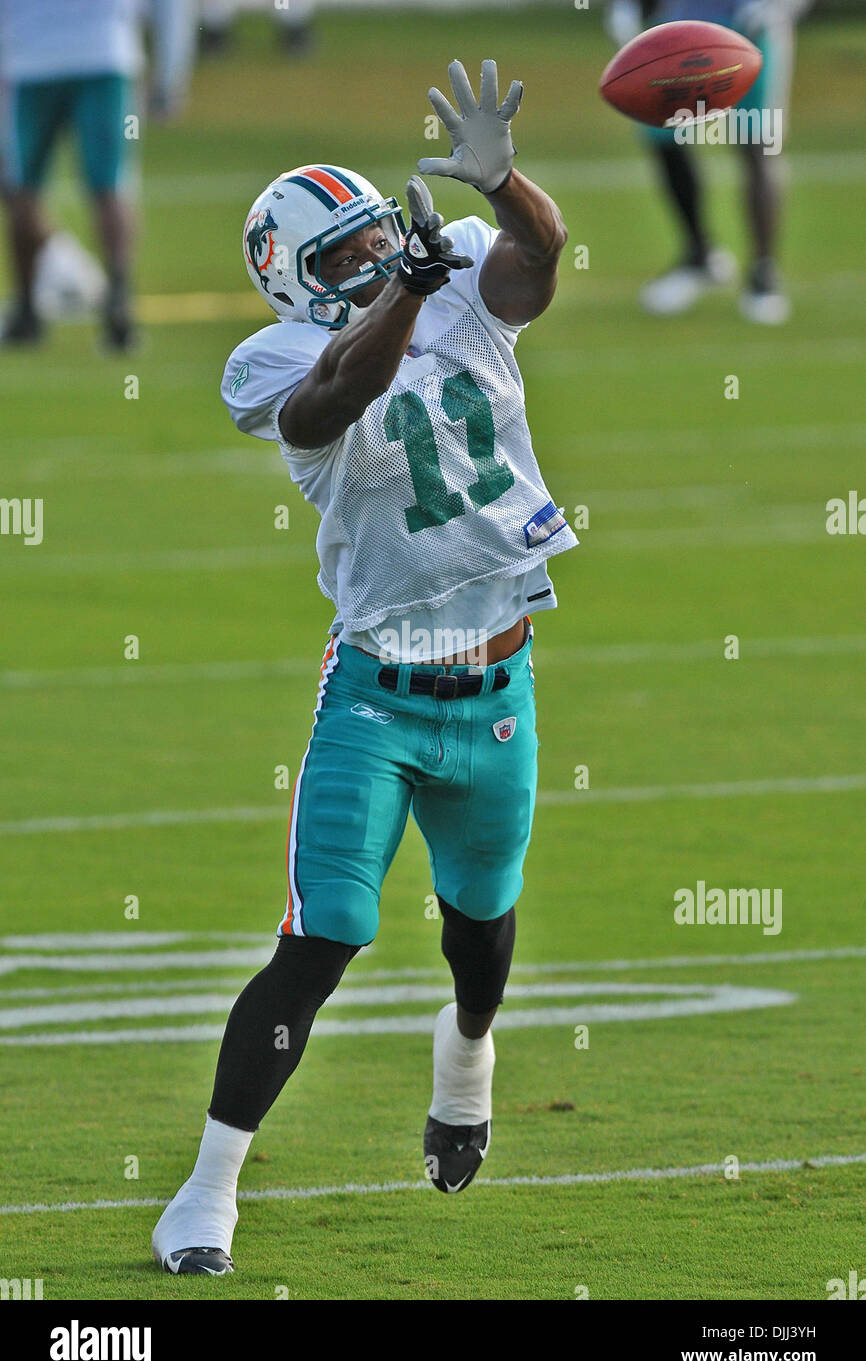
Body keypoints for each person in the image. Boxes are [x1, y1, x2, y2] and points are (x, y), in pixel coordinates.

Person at [152, 59, 577, 1276]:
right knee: (320, 937)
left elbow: (536, 263)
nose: (373, 260)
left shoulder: (456, 292)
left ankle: (466, 1057)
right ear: (289, 281)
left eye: (375, 241)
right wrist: (399, 290)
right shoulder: (270, 360)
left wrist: (507, 189)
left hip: (497, 682)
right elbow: (339, 395)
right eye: (339, 259)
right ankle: (207, 1190)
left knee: (479, 936)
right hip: (379, 693)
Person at [0, 0, 194, 348]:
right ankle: (117, 306)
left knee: (23, 187)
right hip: (102, 53)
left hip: (32, 58)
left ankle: (28, 311)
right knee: (109, 185)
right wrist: (170, 73)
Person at [605, 0, 812, 322]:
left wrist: (781, 7)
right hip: (675, 34)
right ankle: (700, 255)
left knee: (758, 142)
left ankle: (763, 272)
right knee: (663, 138)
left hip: (751, 31)